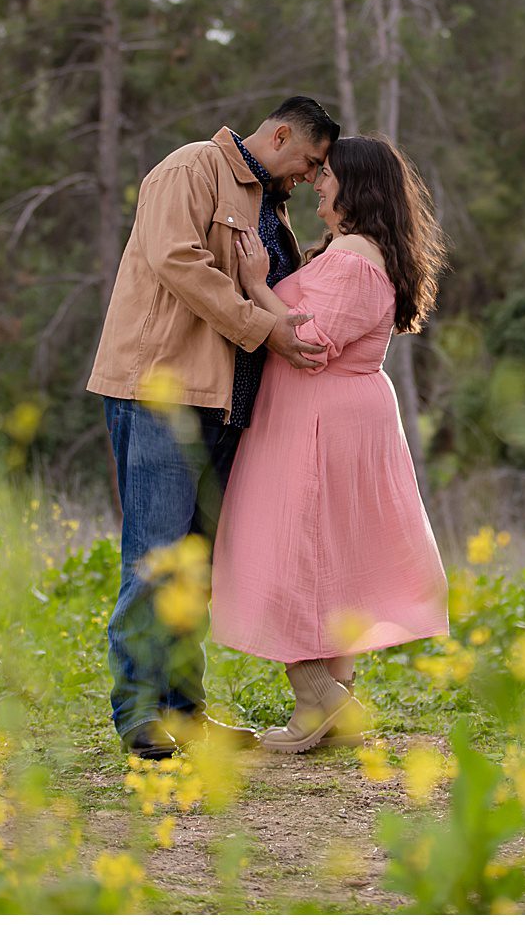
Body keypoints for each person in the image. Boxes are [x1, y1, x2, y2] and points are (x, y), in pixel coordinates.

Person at [86, 97, 340, 760]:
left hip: (226, 407)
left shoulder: (271, 207)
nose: (310, 178)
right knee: (157, 562)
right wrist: (264, 329)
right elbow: (177, 260)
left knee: (195, 570)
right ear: (281, 134)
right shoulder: (190, 168)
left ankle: (185, 714)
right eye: (310, 161)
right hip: (163, 395)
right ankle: (140, 717)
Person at [211, 134, 450, 754]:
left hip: (319, 420)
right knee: (327, 555)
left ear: (357, 185)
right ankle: (328, 701)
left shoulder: (352, 258)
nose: (318, 181)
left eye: (328, 174)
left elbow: (310, 343)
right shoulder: (365, 253)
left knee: (294, 552)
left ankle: (323, 696)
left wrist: (259, 286)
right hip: (334, 416)